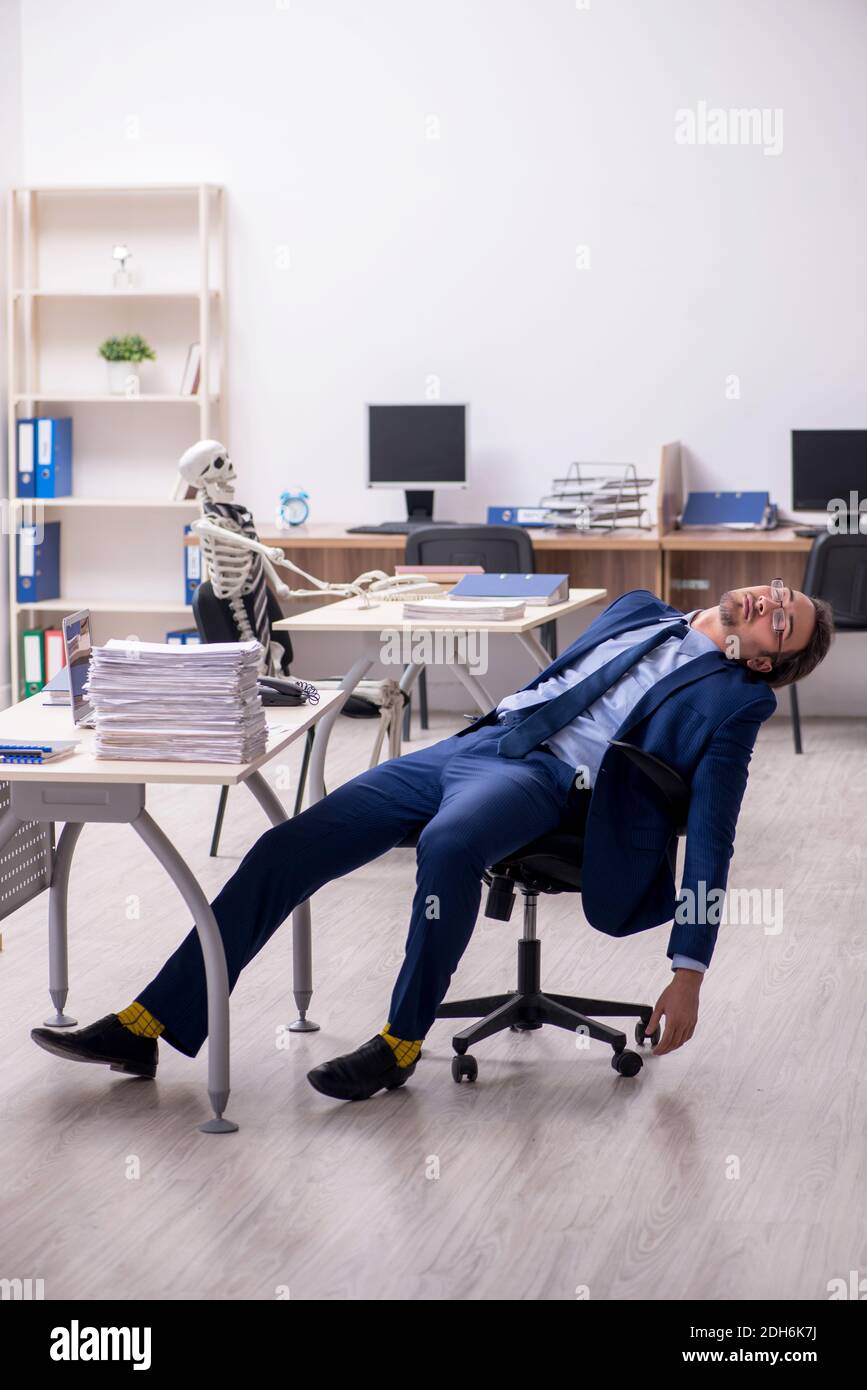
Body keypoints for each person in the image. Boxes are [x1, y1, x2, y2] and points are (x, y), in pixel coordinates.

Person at [31, 582, 833, 1101]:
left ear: (770, 661)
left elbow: (715, 840)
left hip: (541, 779)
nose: (768, 600)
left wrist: (688, 972)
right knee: (288, 845)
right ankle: (148, 1027)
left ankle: (400, 1042)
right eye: (778, 592)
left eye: (780, 619)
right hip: (473, 746)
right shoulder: (635, 608)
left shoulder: (734, 701)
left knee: (449, 846)